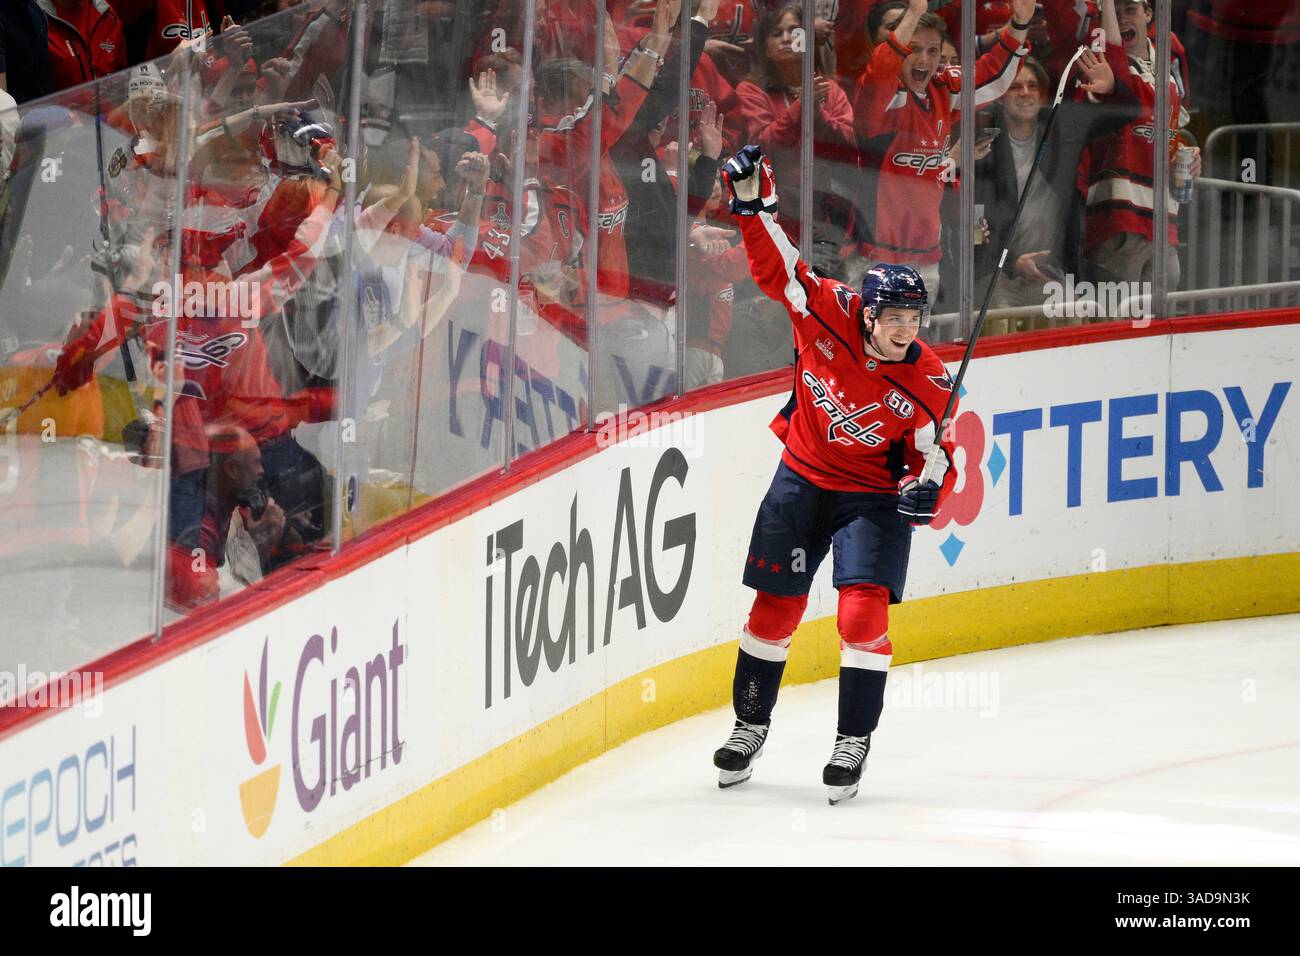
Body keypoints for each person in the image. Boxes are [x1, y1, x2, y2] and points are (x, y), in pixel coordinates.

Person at [711, 144, 960, 804]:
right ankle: (747, 727)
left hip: (870, 500)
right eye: (895, 319)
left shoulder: (930, 382)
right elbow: (780, 270)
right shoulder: (827, 310)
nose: (906, 331)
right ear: (869, 314)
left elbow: (935, 458)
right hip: (802, 477)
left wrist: (927, 491)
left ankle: (853, 739)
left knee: (859, 616)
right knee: (774, 608)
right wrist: (752, 205)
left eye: (915, 319)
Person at [851, 0, 1033, 300]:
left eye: (933, 50)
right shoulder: (882, 94)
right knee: (873, 344)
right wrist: (914, 12)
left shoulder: (942, 90)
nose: (924, 58)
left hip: (926, 257)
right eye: (914, 48)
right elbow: (881, 69)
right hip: (875, 254)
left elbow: (993, 76)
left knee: (920, 344)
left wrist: (1021, 23)